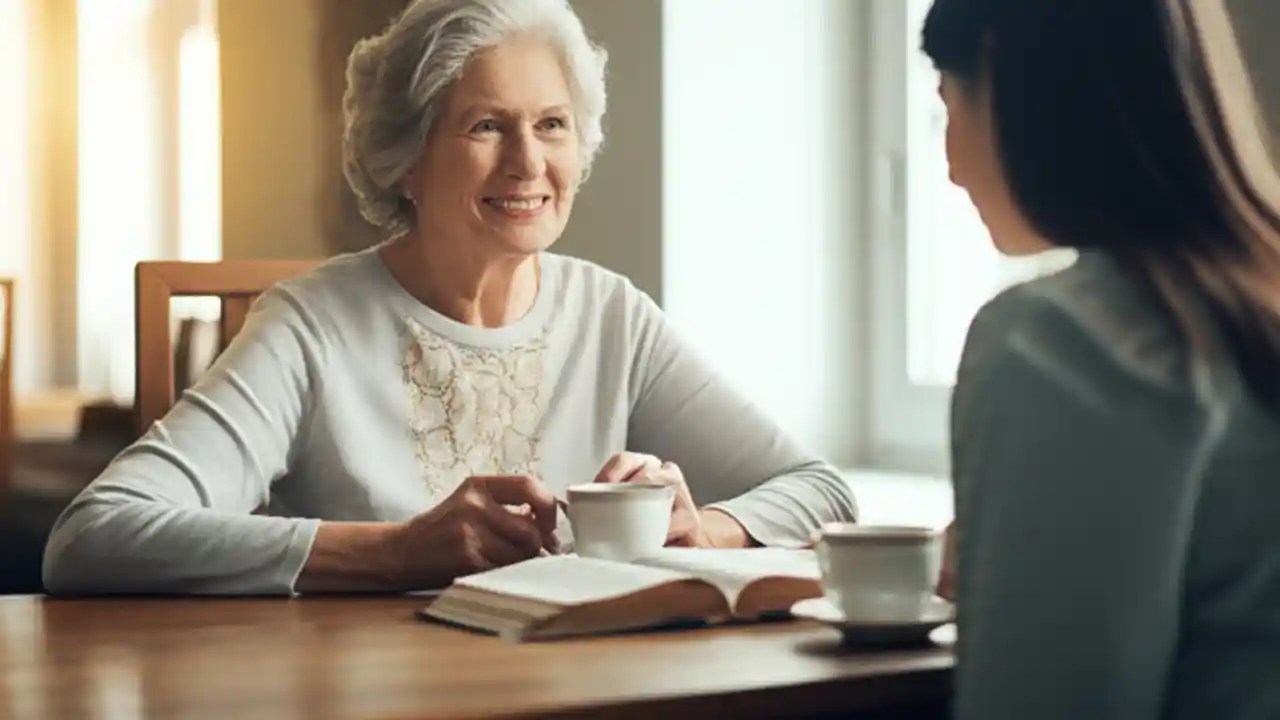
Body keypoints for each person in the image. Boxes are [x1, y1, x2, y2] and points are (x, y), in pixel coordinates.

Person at [42, 0, 857, 596]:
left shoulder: (613, 315)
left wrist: (702, 527)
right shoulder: (310, 325)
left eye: (552, 124)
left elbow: (823, 491)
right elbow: (93, 536)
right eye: (485, 126)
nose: (528, 163)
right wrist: (397, 550)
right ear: (405, 157)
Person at [923, 0, 1280, 716]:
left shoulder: (1064, 341)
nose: (952, 166)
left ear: (1001, 69)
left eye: (946, 105)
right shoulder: (1249, 307)